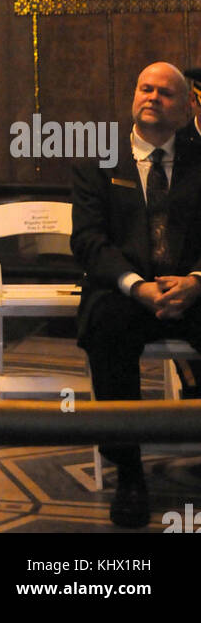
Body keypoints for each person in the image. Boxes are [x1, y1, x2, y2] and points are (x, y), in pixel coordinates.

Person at [71, 61, 201, 527]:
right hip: (125, 292)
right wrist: (136, 286)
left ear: (187, 108)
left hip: (191, 291)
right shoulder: (99, 157)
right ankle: (128, 471)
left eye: (165, 93)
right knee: (106, 330)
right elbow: (88, 241)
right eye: (144, 88)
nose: (152, 97)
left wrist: (196, 282)